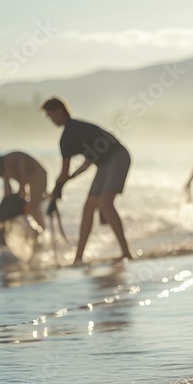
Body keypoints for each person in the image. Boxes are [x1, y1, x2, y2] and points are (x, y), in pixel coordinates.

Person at [41, 97, 132, 264]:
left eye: (50, 115)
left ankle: (126, 253)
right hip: (103, 163)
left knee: (105, 202)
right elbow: (86, 164)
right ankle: (78, 258)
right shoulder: (75, 129)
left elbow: (64, 172)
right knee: (89, 206)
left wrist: (58, 187)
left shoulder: (69, 134)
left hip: (118, 156)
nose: (50, 120)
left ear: (59, 111)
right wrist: (65, 182)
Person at [0, 150, 48, 230]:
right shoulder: (5, 170)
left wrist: (23, 185)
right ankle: (38, 228)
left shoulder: (8, 161)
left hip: (37, 175)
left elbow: (23, 161)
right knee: (26, 206)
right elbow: (7, 191)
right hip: (31, 180)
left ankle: (43, 229)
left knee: (32, 207)